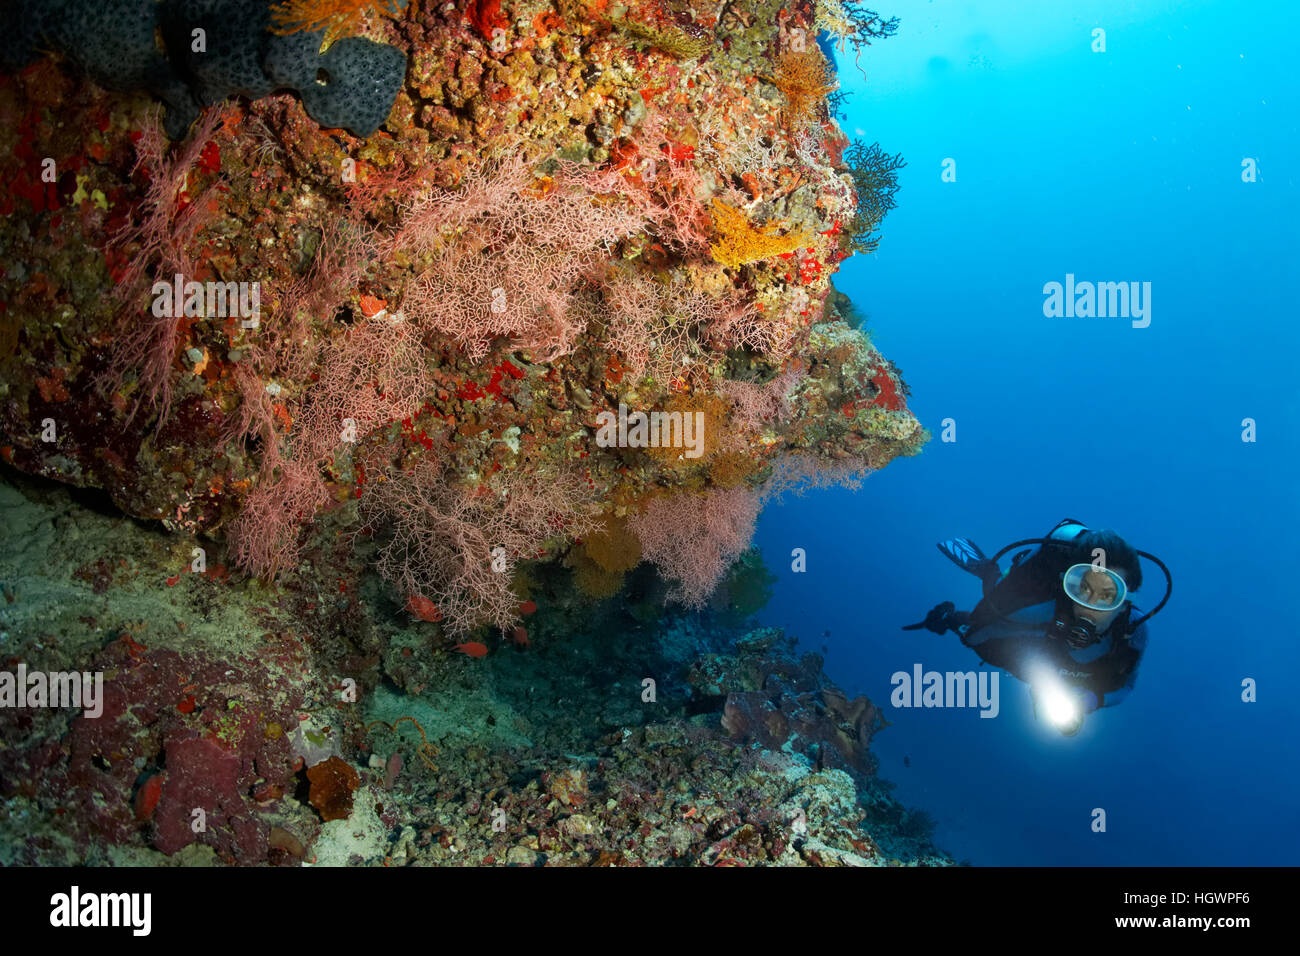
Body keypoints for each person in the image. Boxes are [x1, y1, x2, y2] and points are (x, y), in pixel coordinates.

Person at [904, 518, 1171, 735]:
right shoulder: (1037, 611)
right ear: (1069, 583)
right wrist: (954, 621)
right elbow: (979, 633)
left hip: (1055, 671)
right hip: (1022, 643)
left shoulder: (1133, 633)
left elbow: (1125, 687)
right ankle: (988, 570)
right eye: (1083, 588)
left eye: (1107, 595)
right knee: (986, 614)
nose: (1090, 605)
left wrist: (1089, 700)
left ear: (1127, 599)